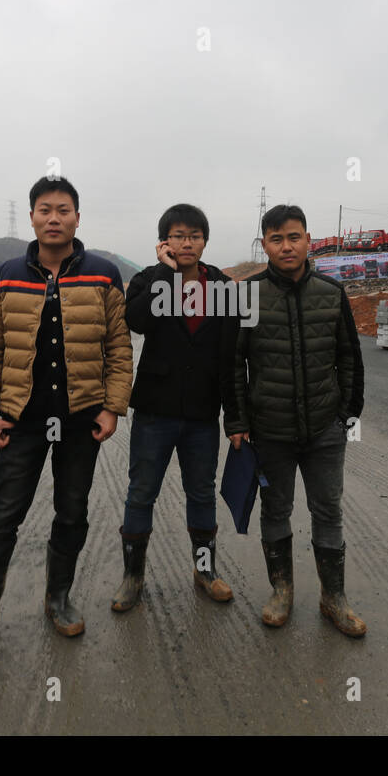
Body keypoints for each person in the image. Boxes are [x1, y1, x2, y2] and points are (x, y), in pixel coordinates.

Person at [0, 175, 133, 666]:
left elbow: (118, 348)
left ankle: (58, 599)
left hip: (80, 422)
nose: (54, 218)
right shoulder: (6, 274)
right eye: (45, 210)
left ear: (77, 216)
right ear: (32, 217)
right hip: (21, 421)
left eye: (64, 209)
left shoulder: (103, 274)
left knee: (72, 511)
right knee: (3, 516)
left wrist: (112, 406)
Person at [223, 204, 367, 637]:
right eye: (276, 238)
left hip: (325, 427)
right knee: (276, 509)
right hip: (271, 429)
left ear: (308, 239)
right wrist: (237, 422)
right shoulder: (245, 295)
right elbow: (234, 365)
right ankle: (281, 591)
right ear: (264, 243)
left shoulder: (331, 292)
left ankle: (333, 598)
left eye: (294, 237)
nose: (286, 246)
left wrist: (347, 414)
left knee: (328, 510)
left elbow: (349, 357)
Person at [111, 204, 237, 612]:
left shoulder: (221, 285)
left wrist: (234, 416)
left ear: (205, 240)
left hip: (202, 415)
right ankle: (133, 577)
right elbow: (138, 322)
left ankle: (205, 572)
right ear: (165, 241)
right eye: (179, 235)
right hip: (155, 412)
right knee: (141, 494)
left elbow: (232, 356)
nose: (188, 242)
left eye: (195, 235)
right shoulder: (148, 280)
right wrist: (166, 273)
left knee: (201, 494)